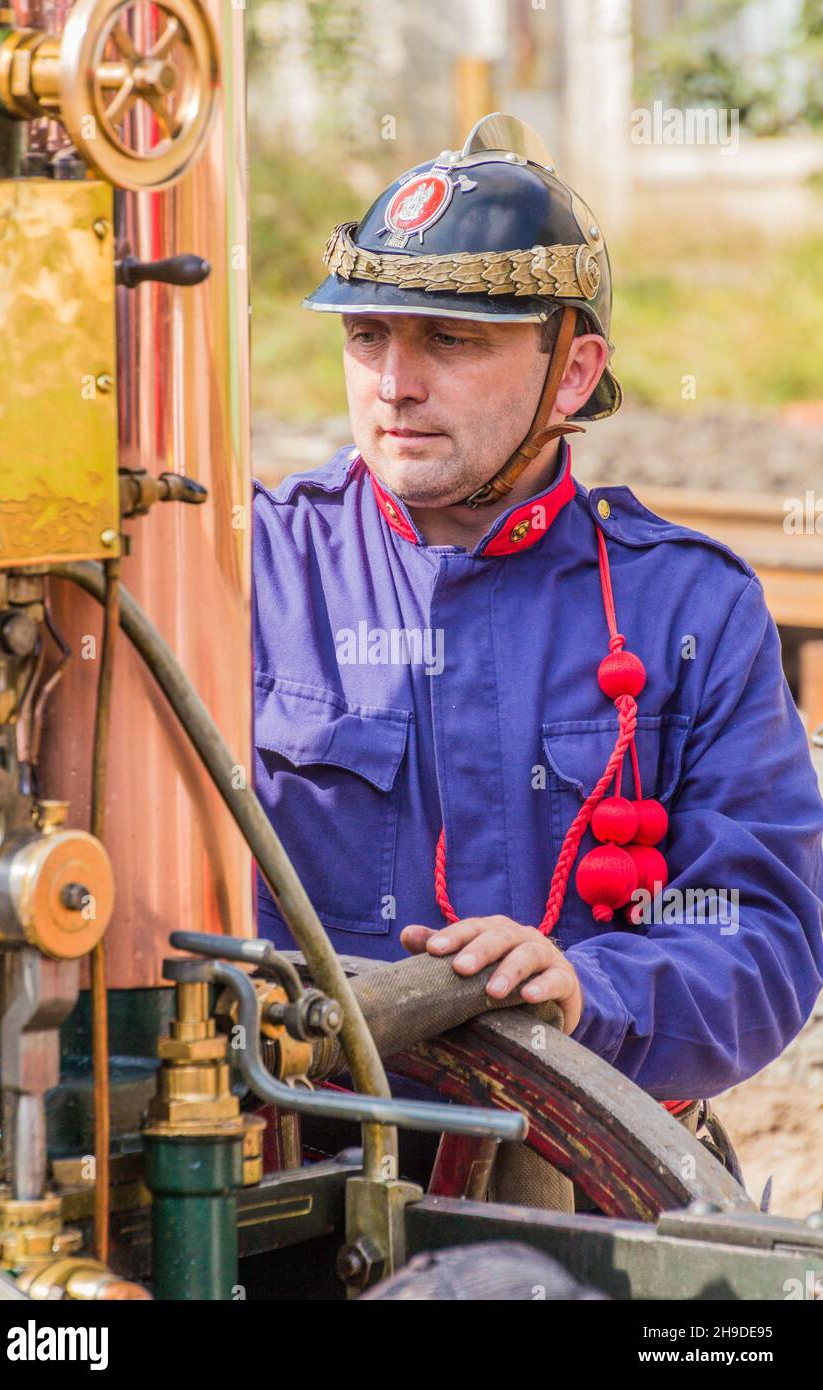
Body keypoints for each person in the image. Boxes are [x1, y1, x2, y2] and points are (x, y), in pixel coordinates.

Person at [251, 113, 823, 1160]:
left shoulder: (689, 609)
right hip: (287, 1183)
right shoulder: (246, 568)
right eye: (366, 334)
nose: (392, 382)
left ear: (570, 371)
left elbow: (764, 940)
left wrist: (586, 990)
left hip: (581, 1179)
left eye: (450, 338)